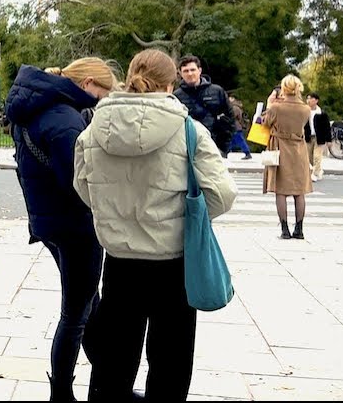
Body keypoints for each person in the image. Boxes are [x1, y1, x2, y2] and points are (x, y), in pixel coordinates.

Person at [74, 49, 237, 401]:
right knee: (171, 368)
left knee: (113, 365)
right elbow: (222, 194)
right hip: (173, 264)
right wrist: (184, 216)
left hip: (119, 262)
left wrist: (116, 215)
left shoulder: (93, 131)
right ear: (170, 84)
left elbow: (83, 187)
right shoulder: (188, 131)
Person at [6, 58, 116, 399]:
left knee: (87, 303)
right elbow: (79, 182)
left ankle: (108, 382)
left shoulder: (36, 106)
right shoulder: (65, 118)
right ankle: (62, 393)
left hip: (49, 220)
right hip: (75, 224)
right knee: (76, 313)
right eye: (102, 92)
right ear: (87, 83)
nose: (101, 99)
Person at [263, 76, 313, 239]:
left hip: (280, 148)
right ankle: (299, 228)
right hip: (299, 149)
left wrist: (270, 103)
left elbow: (264, 122)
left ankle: (284, 229)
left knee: (281, 191)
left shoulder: (277, 107)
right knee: (299, 192)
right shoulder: (305, 108)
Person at [173, 56, 232, 154]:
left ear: (199, 70)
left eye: (192, 70)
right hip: (186, 148)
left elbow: (229, 119)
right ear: (180, 73)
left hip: (213, 145)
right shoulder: (176, 96)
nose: (190, 73)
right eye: (186, 71)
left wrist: (223, 147)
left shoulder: (217, 92)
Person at [306, 93, 332, 182]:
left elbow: (327, 127)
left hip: (319, 138)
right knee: (309, 156)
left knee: (317, 156)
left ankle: (314, 173)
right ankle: (318, 169)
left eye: (311, 99)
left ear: (316, 100)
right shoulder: (305, 112)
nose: (309, 101)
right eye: (308, 99)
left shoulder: (322, 113)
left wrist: (329, 140)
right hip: (308, 137)